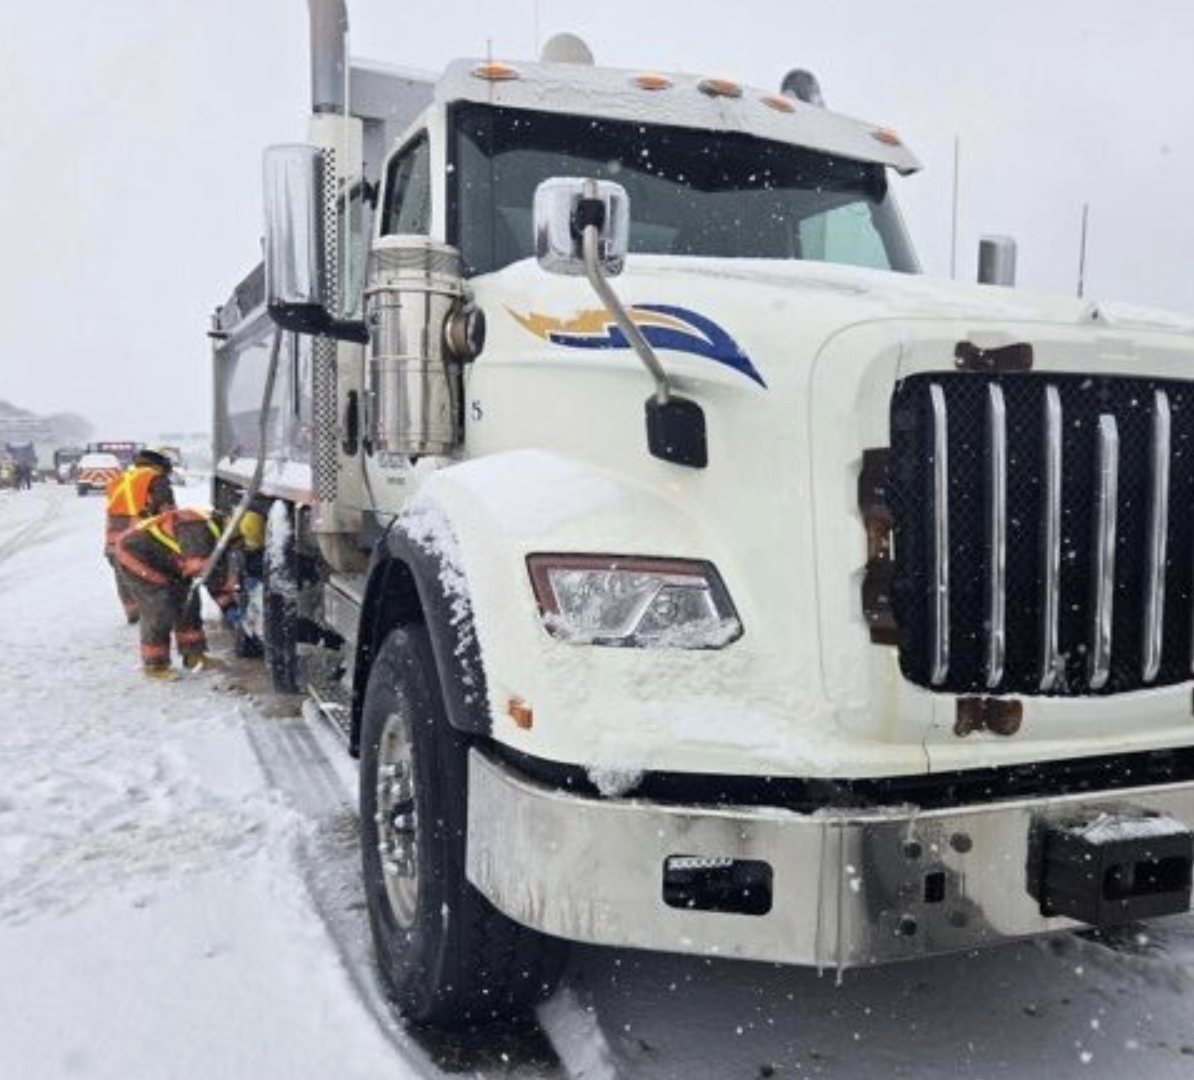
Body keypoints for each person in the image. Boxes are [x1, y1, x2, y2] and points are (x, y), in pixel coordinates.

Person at [114, 506, 239, 679]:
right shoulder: (197, 531)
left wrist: (228, 606)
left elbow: (214, 574)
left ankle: (193, 656)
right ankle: (155, 666)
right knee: (159, 607)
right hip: (136, 557)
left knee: (189, 603)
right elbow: (206, 574)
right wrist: (228, 607)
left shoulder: (216, 532)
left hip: (169, 562)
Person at [104, 448, 176, 623]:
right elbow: (167, 512)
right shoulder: (155, 478)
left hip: (114, 538)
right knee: (152, 573)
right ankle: (154, 611)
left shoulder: (120, 479)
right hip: (139, 537)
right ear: (160, 465)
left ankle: (133, 612)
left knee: (123, 574)